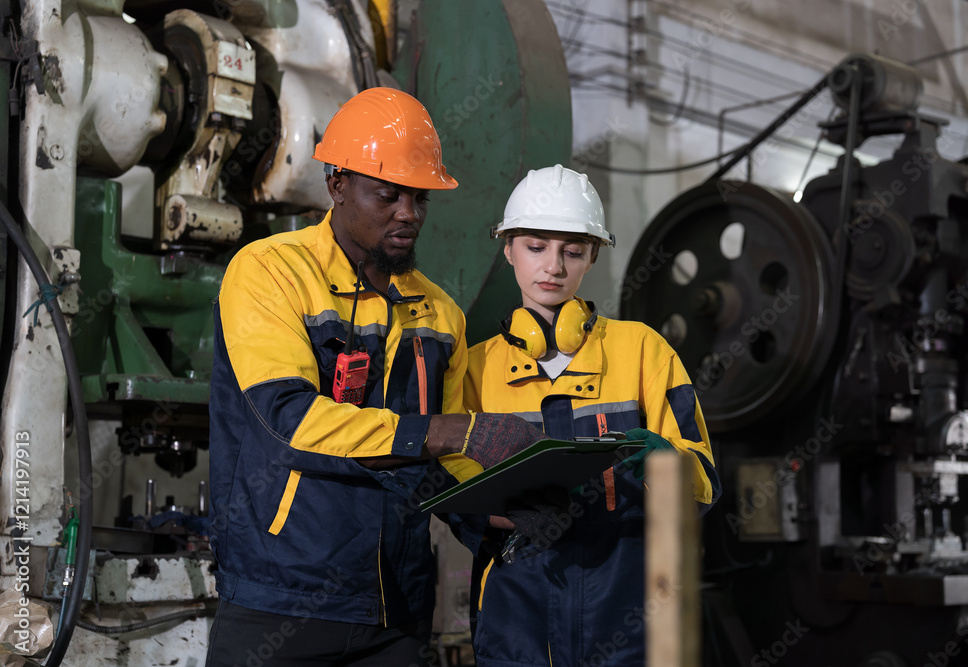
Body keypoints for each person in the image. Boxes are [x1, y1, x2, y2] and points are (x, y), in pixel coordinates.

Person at [206, 87, 543, 667]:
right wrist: (450, 431)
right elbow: (290, 421)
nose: (408, 213)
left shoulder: (440, 315)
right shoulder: (270, 273)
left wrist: (501, 522)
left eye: (419, 198)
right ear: (337, 185)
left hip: (398, 610)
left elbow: (437, 466)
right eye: (389, 195)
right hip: (282, 599)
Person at [463, 164, 721, 666]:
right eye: (536, 247)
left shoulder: (644, 350)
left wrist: (665, 463)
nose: (553, 266)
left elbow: (703, 483)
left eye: (573, 251)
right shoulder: (475, 368)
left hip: (628, 618)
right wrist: (506, 514)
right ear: (508, 247)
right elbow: (446, 493)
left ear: (593, 257)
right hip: (517, 618)